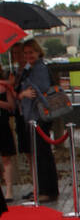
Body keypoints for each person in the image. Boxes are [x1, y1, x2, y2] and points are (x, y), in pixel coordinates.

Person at [16, 38, 60, 202]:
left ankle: (47, 190)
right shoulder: (30, 68)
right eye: (26, 53)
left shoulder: (40, 69)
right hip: (32, 116)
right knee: (39, 154)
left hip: (39, 116)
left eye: (31, 52)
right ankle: (42, 188)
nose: (28, 56)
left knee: (43, 154)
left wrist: (26, 93)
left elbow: (40, 90)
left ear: (38, 52)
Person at [0, 68, 18, 201]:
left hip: (2, 124)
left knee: (6, 158)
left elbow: (12, 106)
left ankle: (9, 189)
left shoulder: (5, 87)